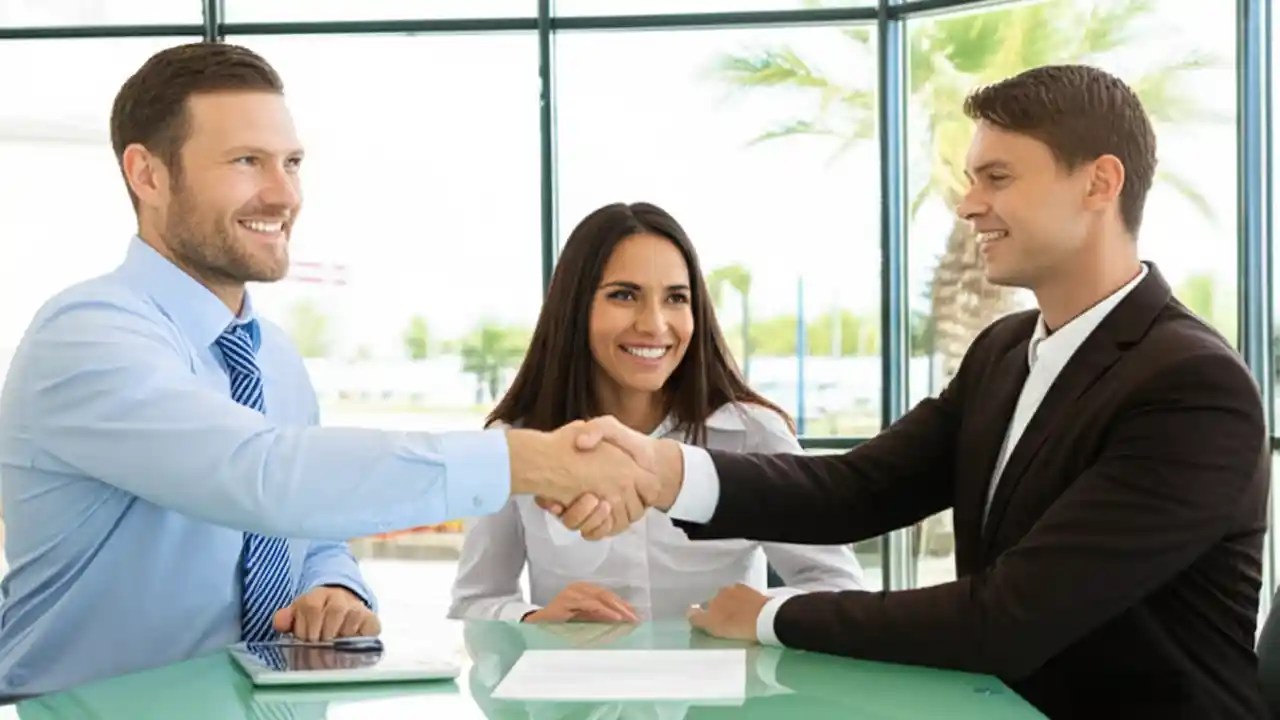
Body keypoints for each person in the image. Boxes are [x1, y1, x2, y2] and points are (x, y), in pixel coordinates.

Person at [564, 65, 1271, 717]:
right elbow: (857, 489)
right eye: (971, 178)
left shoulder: (1191, 388)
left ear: (1099, 183)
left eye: (996, 177)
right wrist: (662, 473)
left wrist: (770, 615)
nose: (969, 204)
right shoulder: (1003, 351)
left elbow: (1009, 618)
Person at [0, 42, 651, 698]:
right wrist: (530, 461)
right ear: (147, 174)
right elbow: (260, 475)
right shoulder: (87, 335)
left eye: (292, 163)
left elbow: (311, 528)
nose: (283, 194)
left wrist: (332, 586)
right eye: (247, 162)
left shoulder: (272, 357)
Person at [449, 202, 865, 624]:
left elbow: (839, 588)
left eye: (676, 298)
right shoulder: (517, 442)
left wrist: (763, 615)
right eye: (624, 295)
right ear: (575, 308)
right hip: (580, 689)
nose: (654, 324)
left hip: (730, 689)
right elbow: (473, 602)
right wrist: (532, 620)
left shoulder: (753, 434)